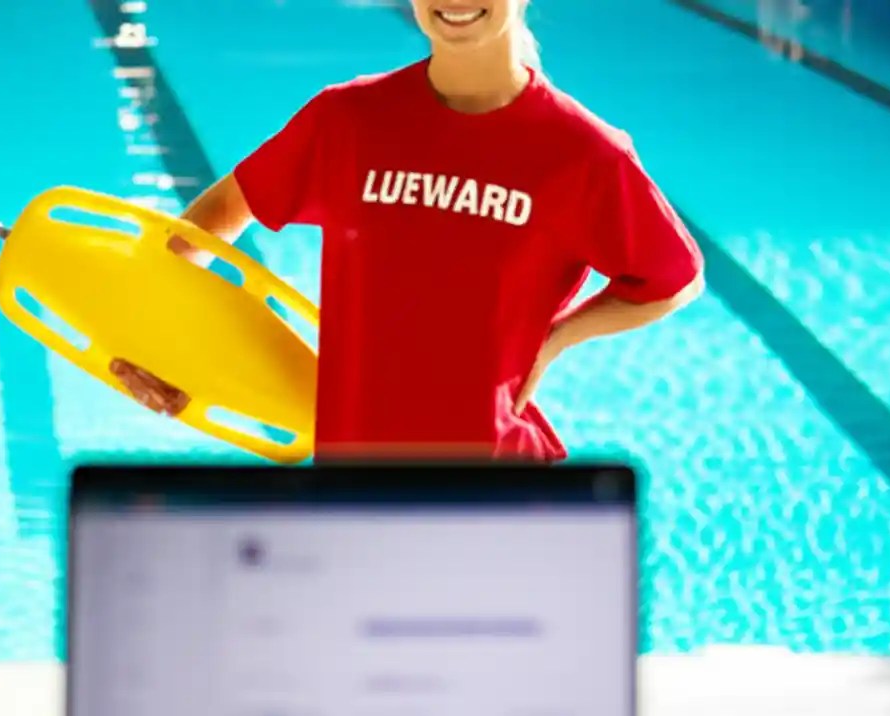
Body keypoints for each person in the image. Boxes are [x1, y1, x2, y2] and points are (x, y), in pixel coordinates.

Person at [109, 0, 705, 462]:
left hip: (498, 496)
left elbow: (672, 278)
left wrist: (557, 338)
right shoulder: (347, 121)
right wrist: (156, 340)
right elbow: (211, 223)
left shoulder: (583, 155)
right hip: (355, 488)